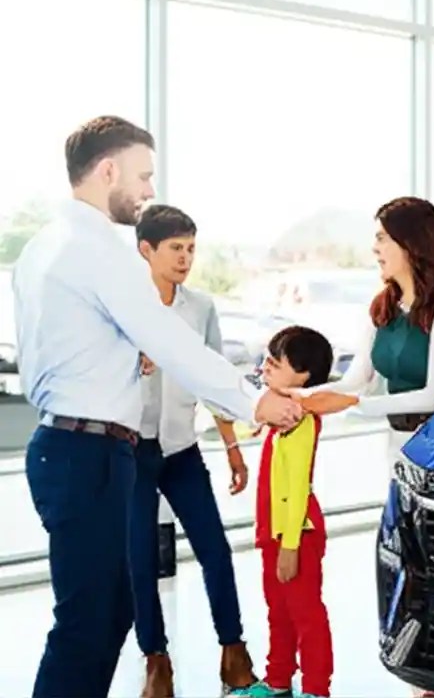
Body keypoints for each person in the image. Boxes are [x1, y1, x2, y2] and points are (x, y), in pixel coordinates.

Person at [13, 115, 303, 698]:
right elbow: (171, 340)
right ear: (108, 170)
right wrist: (253, 401)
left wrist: (123, 357)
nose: (149, 189)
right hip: (89, 453)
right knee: (88, 622)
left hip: (67, 447)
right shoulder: (101, 251)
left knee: (108, 610)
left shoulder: (43, 248)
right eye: (143, 175)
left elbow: (60, 352)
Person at [128, 204, 257, 695]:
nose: (185, 258)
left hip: (183, 449)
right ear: (146, 250)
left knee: (215, 551)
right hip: (133, 450)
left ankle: (234, 652)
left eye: (191, 249)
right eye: (175, 248)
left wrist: (232, 448)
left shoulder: (201, 308)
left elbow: (214, 378)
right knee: (141, 561)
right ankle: (156, 661)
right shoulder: (125, 305)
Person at [294, 196, 434, 477]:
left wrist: (357, 404)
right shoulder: (383, 307)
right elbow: (356, 380)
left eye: (382, 238)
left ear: (411, 243)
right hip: (396, 444)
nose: (375, 248)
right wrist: (298, 397)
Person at [230, 326, 335, 698]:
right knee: (278, 611)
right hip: (274, 533)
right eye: (266, 360)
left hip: (297, 534)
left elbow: (296, 489)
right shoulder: (280, 419)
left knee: (306, 614)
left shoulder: (301, 422)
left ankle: (316, 689)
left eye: (276, 363)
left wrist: (290, 545)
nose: (265, 367)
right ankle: (277, 680)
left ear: (303, 375)